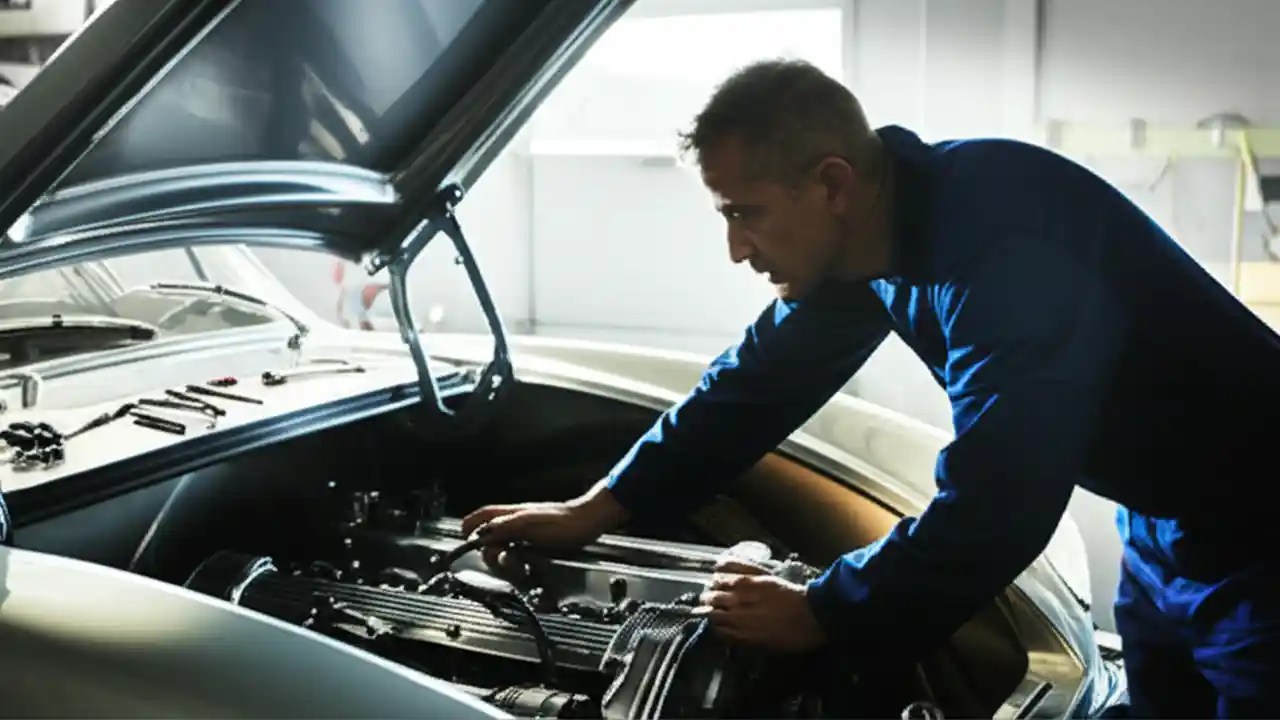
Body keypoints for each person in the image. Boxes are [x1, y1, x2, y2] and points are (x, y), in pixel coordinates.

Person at [463, 59, 1280, 717]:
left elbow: (1003, 497)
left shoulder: (1007, 240)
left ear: (831, 184)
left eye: (744, 214)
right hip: (1166, 530)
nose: (737, 251)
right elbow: (754, 384)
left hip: (1261, 537)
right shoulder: (879, 236)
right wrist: (598, 507)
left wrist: (826, 609)